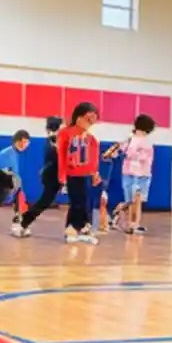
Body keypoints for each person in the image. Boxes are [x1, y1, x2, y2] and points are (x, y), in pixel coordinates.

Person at [13, 116, 64, 238]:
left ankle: (78, 227)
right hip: (51, 177)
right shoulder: (53, 142)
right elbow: (57, 160)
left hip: (54, 177)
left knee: (45, 202)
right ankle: (22, 223)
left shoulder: (55, 140)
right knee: (44, 202)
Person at [58, 102, 101, 244]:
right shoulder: (66, 133)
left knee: (87, 203)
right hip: (73, 174)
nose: (90, 123)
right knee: (76, 203)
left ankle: (84, 228)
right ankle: (71, 229)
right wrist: (62, 176)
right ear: (79, 117)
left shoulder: (92, 139)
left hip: (87, 175)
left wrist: (95, 173)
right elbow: (62, 155)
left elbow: (94, 158)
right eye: (88, 119)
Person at [117, 114, 157, 234]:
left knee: (137, 200)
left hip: (142, 174)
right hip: (131, 172)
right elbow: (123, 151)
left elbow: (145, 158)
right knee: (131, 200)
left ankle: (135, 223)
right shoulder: (131, 139)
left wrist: (131, 152)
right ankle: (131, 223)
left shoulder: (144, 142)